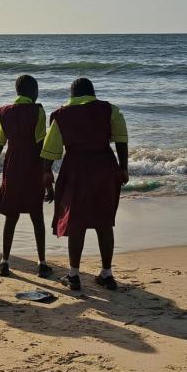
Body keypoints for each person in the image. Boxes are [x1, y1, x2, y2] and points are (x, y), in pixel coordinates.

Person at [41, 78, 128, 291]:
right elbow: (121, 139)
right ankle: (106, 274)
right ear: (93, 92)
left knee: (76, 222)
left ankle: (74, 275)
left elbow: (51, 149)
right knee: (104, 221)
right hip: (104, 166)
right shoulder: (110, 110)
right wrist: (123, 168)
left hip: (75, 168)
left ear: (72, 95)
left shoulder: (61, 115)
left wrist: (46, 172)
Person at [0, 75, 53, 278]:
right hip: (32, 166)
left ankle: (4, 262)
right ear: (34, 91)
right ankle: (42, 263)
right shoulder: (38, 111)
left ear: (17, 91)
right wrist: (47, 176)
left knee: (11, 216)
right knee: (36, 215)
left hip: (12, 167)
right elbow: (41, 145)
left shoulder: (5, 112)